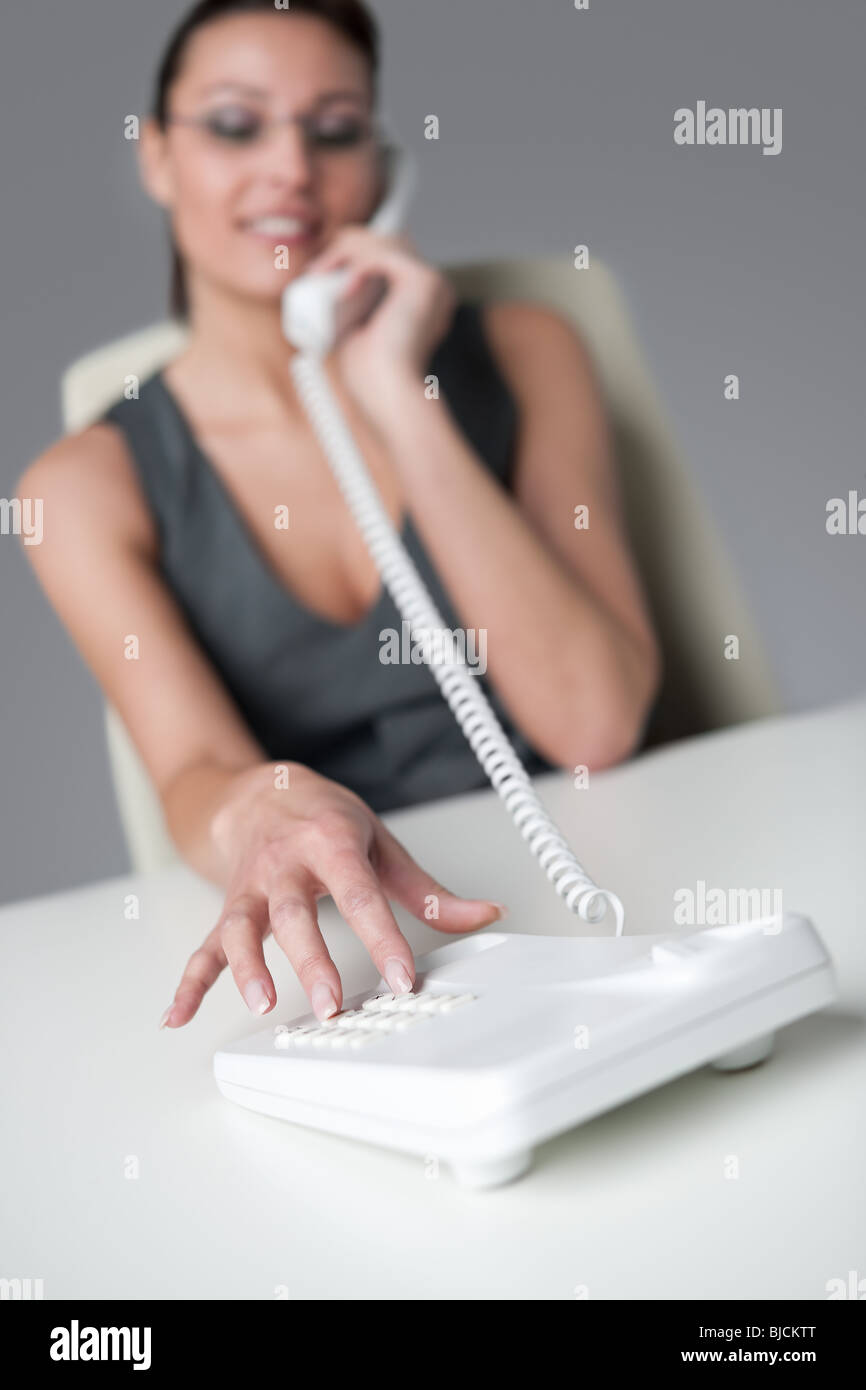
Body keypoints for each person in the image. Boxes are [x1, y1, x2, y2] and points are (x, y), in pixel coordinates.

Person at [16, 0, 661, 1030]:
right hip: (373, 941)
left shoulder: (531, 349)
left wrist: (396, 397)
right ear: (157, 159)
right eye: (234, 125)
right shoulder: (81, 489)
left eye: (333, 128)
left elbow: (593, 722)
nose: (290, 170)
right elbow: (192, 767)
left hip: (616, 864)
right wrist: (263, 804)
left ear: (381, 165)